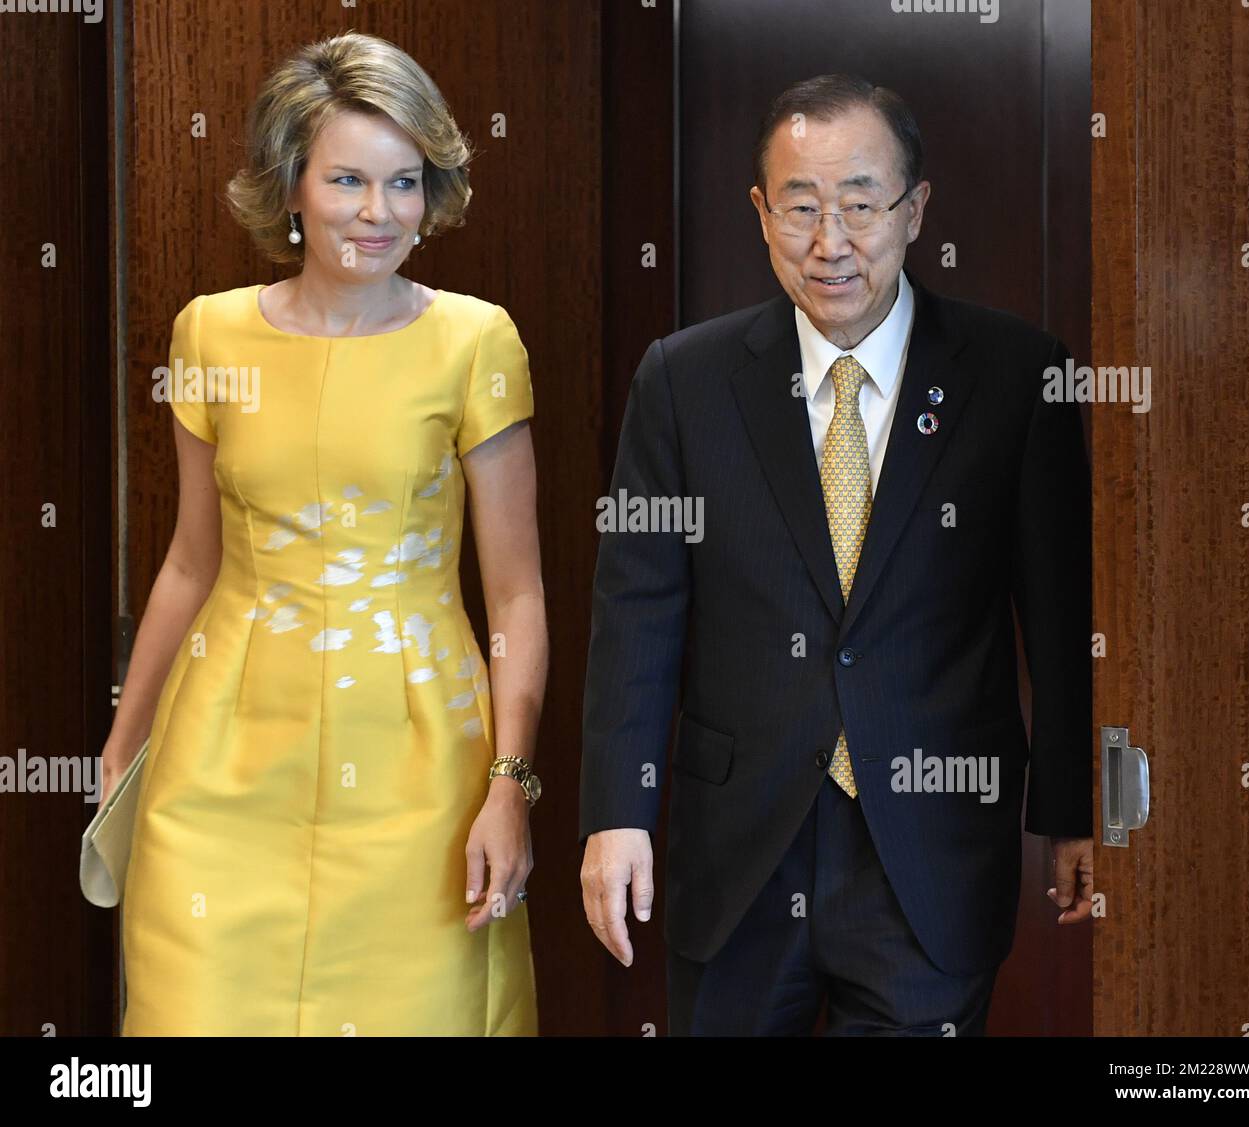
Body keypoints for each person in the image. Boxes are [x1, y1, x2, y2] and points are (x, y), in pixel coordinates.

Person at [579, 73, 1092, 1035]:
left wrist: (1069, 810)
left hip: (928, 851)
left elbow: (1060, 615)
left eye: (860, 204)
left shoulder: (1017, 375)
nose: (831, 242)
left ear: (915, 209)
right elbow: (636, 612)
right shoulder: (684, 380)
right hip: (738, 852)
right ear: (760, 213)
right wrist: (617, 814)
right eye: (801, 208)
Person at [104, 31, 546, 1035]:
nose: (378, 212)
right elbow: (188, 560)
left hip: (422, 761)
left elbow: (516, 592)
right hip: (222, 754)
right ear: (289, 182)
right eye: (348, 178)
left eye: (404, 182)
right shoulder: (208, 332)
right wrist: (125, 743)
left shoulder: (476, 341)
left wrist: (510, 784)